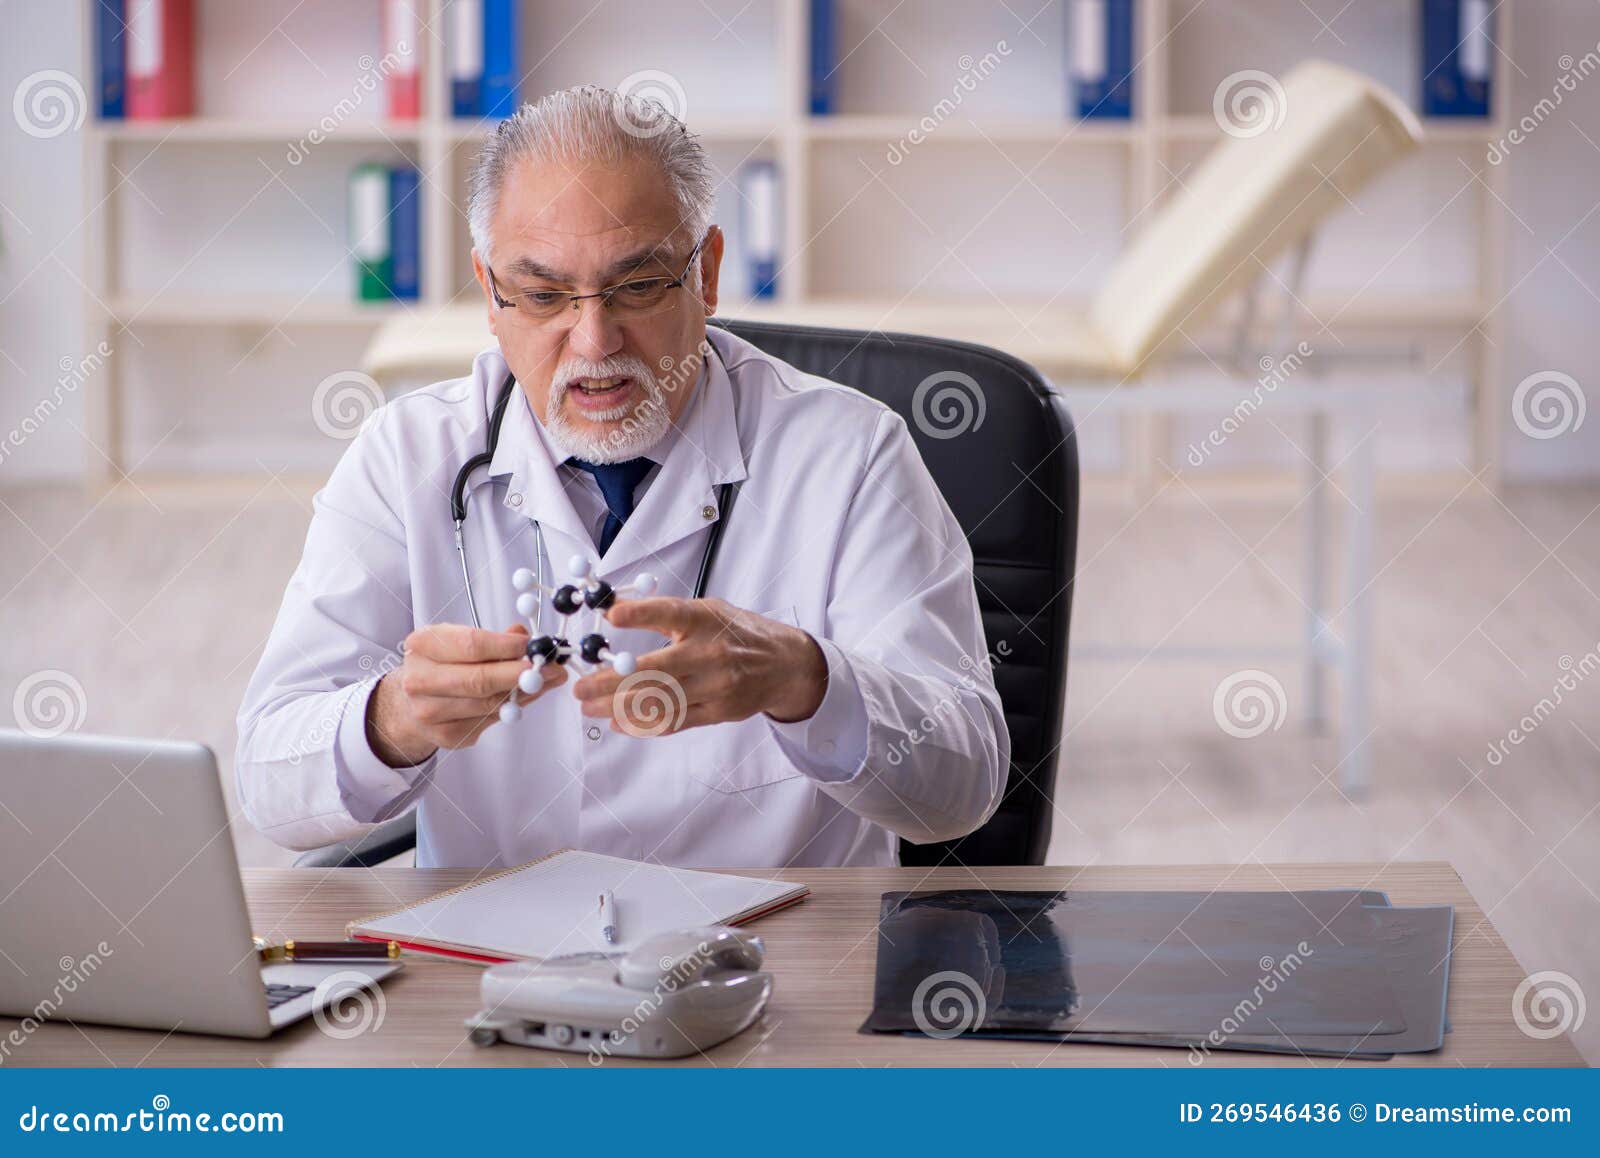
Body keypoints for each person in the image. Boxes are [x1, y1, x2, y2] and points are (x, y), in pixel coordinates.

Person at [235, 86, 1008, 868]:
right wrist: (392, 718)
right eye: (542, 296)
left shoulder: (850, 454)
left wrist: (804, 679)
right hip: (497, 966)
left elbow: (962, 787)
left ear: (705, 273)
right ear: (490, 295)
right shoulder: (408, 455)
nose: (594, 341)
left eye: (636, 286)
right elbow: (267, 782)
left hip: (776, 964)